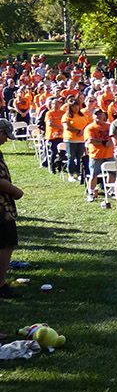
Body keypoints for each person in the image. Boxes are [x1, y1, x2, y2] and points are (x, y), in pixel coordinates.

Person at [0, 119, 26, 299]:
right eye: (5, 136)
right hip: (1, 207)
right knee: (6, 243)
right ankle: (0, 284)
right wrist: (16, 191)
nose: (6, 140)